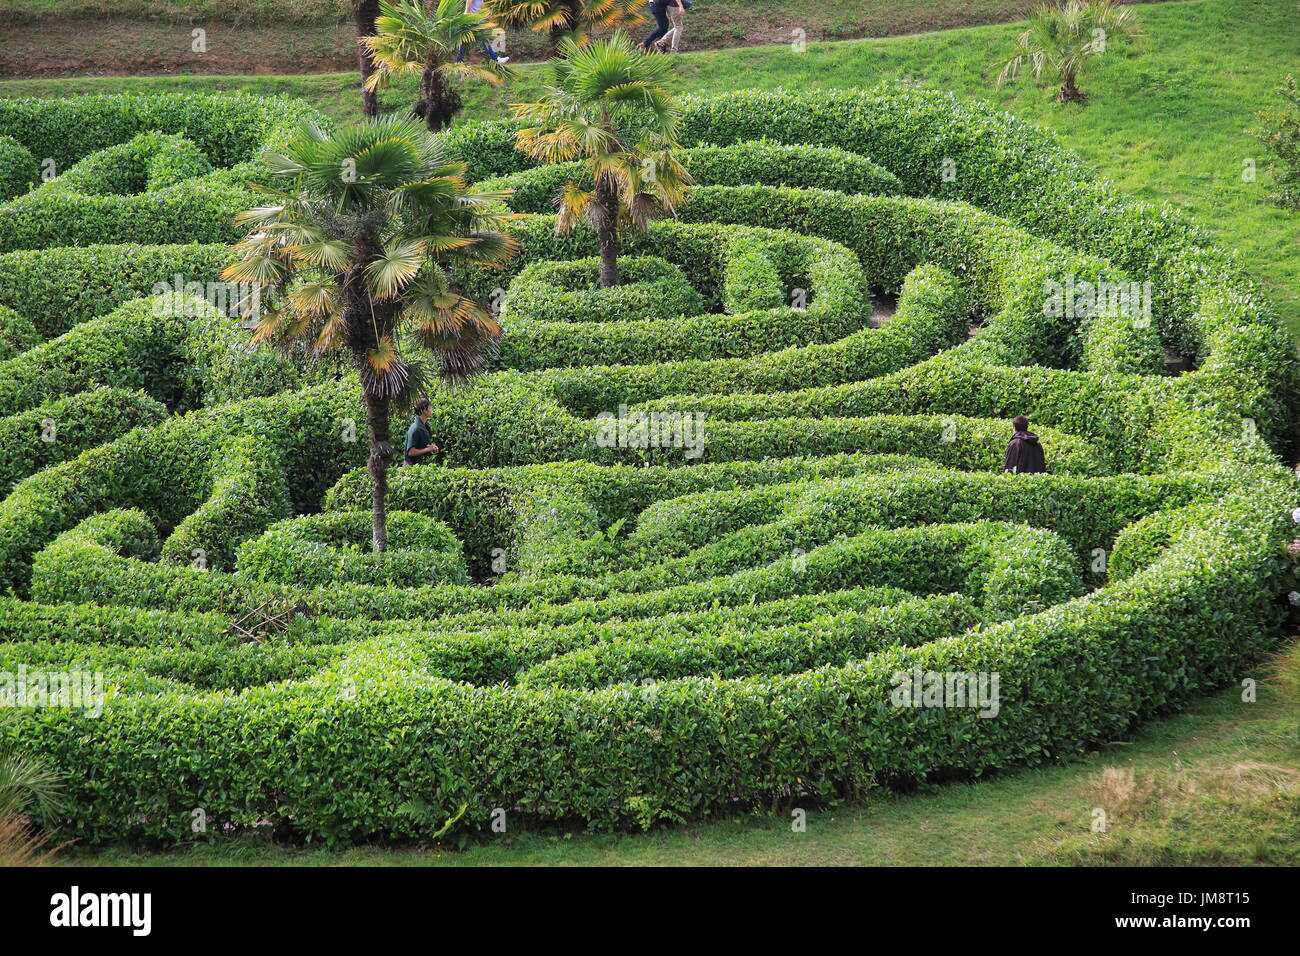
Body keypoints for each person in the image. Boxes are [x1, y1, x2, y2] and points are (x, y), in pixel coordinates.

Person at [456, 0, 510, 64]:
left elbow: (479, 7)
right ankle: (496, 59)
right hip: (471, 19)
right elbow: (469, 2)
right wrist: (467, 17)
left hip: (477, 19)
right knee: (464, 41)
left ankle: (458, 61)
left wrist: (486, 13)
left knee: (467, 41)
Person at [404, 398, 440, 466]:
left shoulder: (424, 425)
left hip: (417, 465)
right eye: (430, 407)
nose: (432, 409)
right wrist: (428, 449)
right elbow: (410, 452)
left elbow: (419, 445)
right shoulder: (415, 428)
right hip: (410, 467)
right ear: (423, 410)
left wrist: (431, 447)